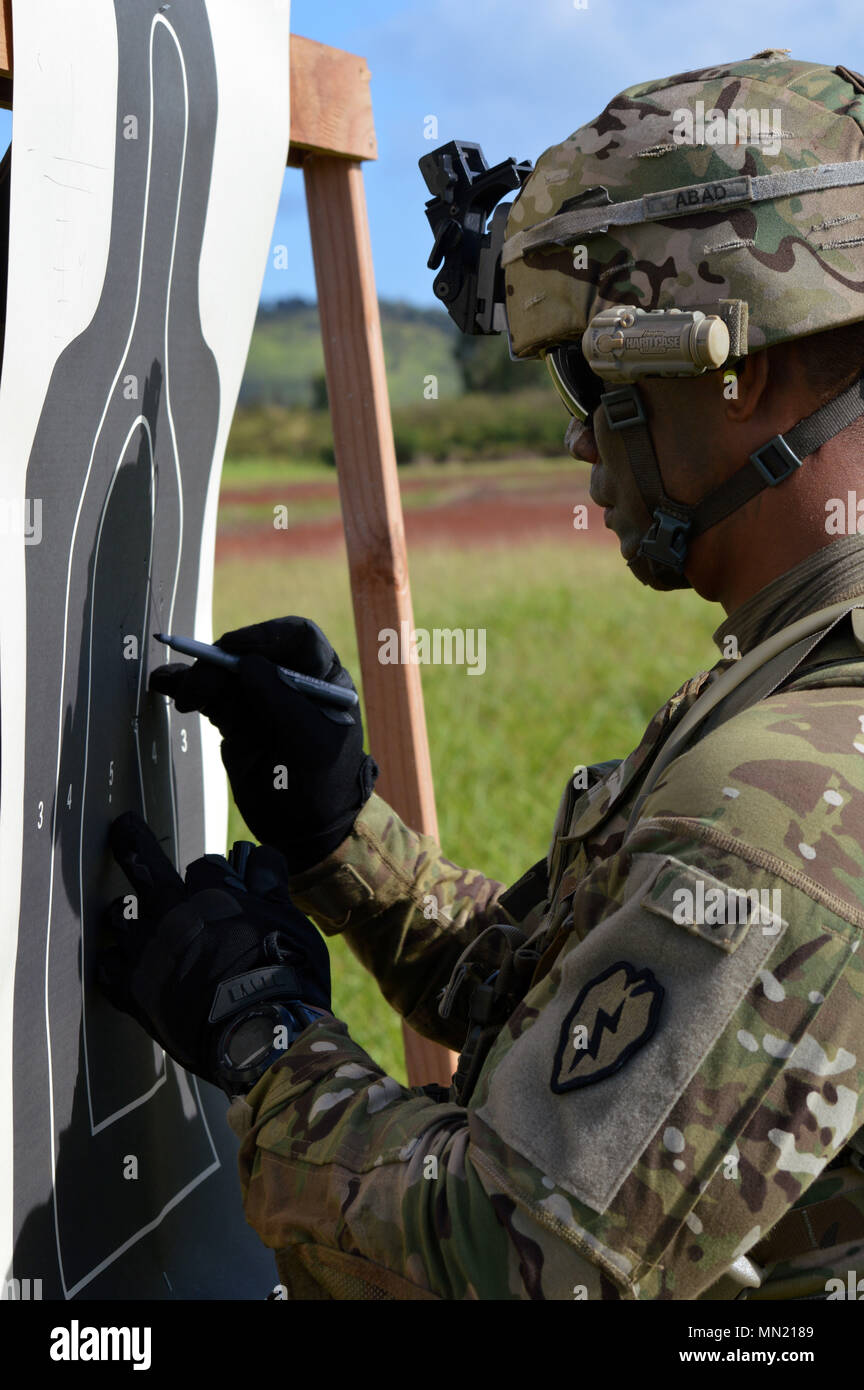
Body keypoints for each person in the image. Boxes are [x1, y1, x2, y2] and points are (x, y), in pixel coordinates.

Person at [100, 51, 864, 1301]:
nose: (577, 430)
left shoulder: (795, 801)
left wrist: (264, 1035)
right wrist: (342, 832)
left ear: (746, 370)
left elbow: (509, 1256)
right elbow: (565, 1013)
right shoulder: (792, 687)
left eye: (594, 373)